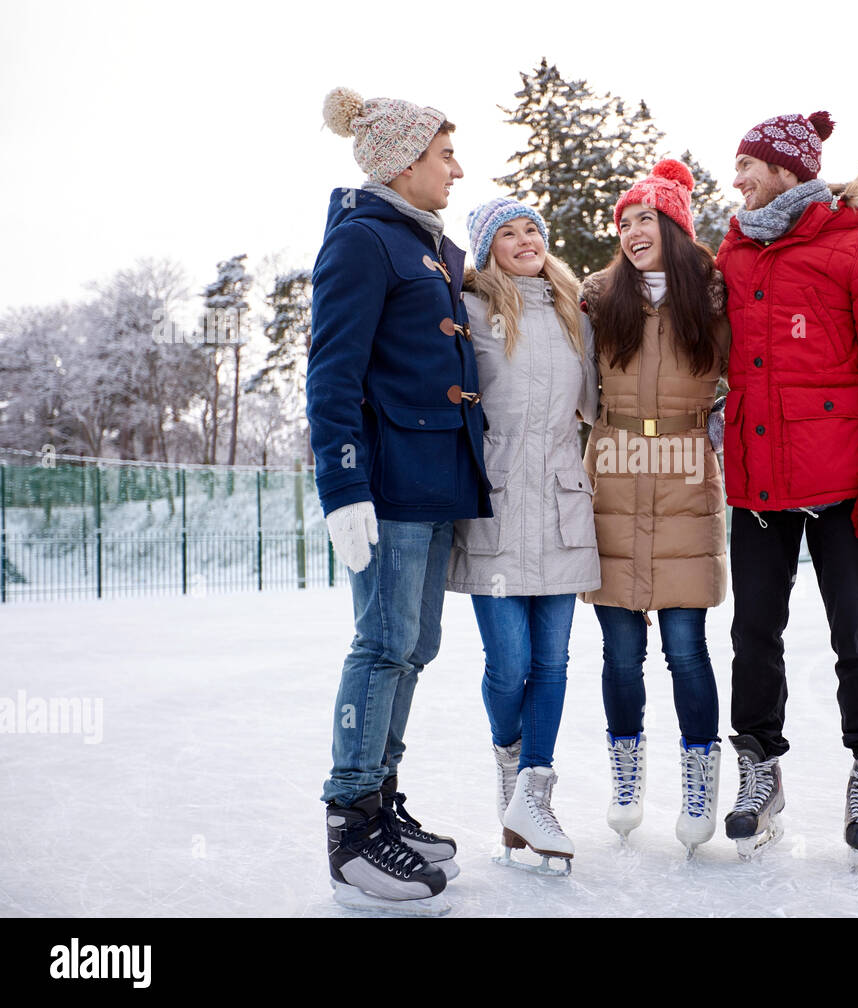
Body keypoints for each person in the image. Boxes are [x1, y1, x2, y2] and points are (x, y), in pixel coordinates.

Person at [716, 111, 858, 865]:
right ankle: (759, 773)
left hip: (845, 486)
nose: (735, 180)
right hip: (759, 484)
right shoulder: (734, 257)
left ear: (786, 169)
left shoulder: (857, 251)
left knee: (857, 636)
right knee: (752, 636)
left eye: (746, 166)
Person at [307, 87, 491, 912]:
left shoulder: (431, 249)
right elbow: (333, 371)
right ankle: (350, 828)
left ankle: (382, 801)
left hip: (433, 480)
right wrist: (342, 484)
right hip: (383, 485)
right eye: (445, 154)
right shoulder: (363, 243)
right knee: (381, 645)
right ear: (403, 162)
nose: (457, 169)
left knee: (413, 648)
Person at [579, 159, 731, 856]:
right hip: (611, 473)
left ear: (675, 225)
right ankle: (626, 773)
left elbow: (740, 384)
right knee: (618, 651)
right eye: (625, 221)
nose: (634, 231)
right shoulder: (599, 297)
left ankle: (700, 780)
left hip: (683, 475)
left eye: (648, 218)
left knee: (685, 647)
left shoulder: (717, 298)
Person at [445, 198, 600, 875]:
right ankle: (510, 767)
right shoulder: (471, 311)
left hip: (565, 502)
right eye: (506, 233)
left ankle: (536, 790)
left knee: (556, 661)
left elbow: (602, 404)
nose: (523, 239)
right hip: (499, 503)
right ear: (487, 251)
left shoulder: (576, 315)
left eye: (531, 228)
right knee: (509, 664)